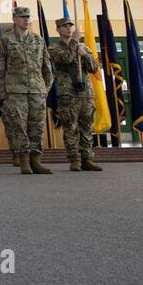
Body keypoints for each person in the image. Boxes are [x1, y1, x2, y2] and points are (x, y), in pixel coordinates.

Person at [0, 5, 53, 175]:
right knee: (19, 126)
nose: (26, 19)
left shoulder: (38, 40)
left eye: (28, 17)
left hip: (37, 91)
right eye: (22, 17)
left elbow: (47, 68)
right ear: (14, 19)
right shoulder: (6, 41)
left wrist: (44, 89)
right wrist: (2, 94)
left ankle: (36, 160)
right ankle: (24, 160)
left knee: (37, 126)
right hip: (15, 91)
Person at [47, 16, 103, 172]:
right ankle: (74, 159)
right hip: (68, 93)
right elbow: (64, 58)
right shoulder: (54, 48)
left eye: (71, 26)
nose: (69, 28)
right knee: (70, 127)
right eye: (64, 26)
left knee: (86, 126)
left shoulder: (83, 47)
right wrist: (74, 43)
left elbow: (94, 68)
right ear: (58, 29)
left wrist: (84, 54)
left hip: (85, 93)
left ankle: (87, 158)